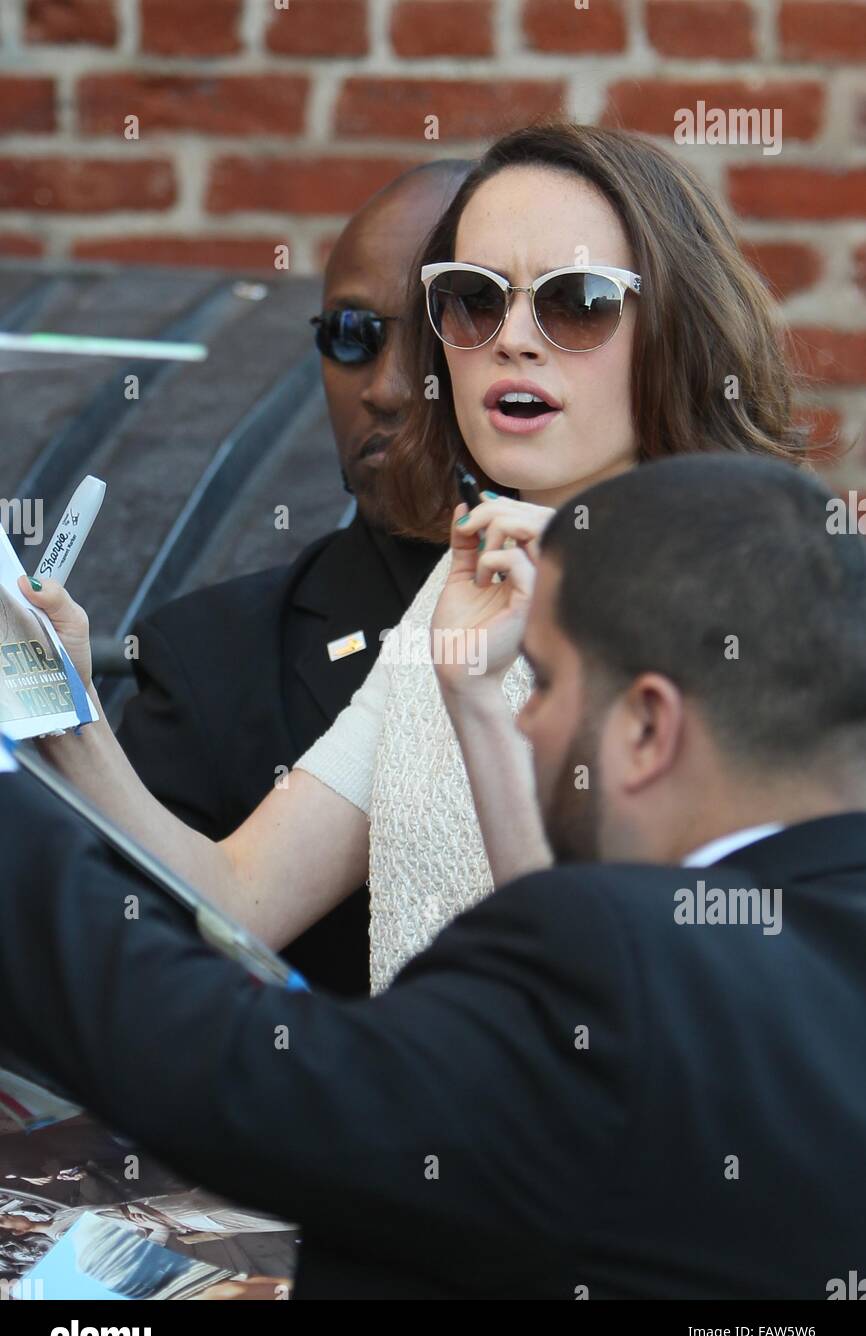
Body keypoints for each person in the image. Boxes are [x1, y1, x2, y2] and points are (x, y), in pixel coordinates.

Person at [2, 455, 865, 1299]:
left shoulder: (625, 967)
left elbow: (241, 1082)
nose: (529, 712)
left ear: (647, 728)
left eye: (550, 680)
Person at [25, 122, 807, 994]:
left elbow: (634, 999)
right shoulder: (461, 587)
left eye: (576, 300)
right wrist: (63, 702)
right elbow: (237, 898)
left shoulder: (758, 602)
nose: (512, 338)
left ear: (674, 329)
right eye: (475, 299)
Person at [114, 162, 470, 996]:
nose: (385, 387)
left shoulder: (658, 606)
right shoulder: (213, 660)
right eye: (351, 334)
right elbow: (146, 967)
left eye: (433, 333)